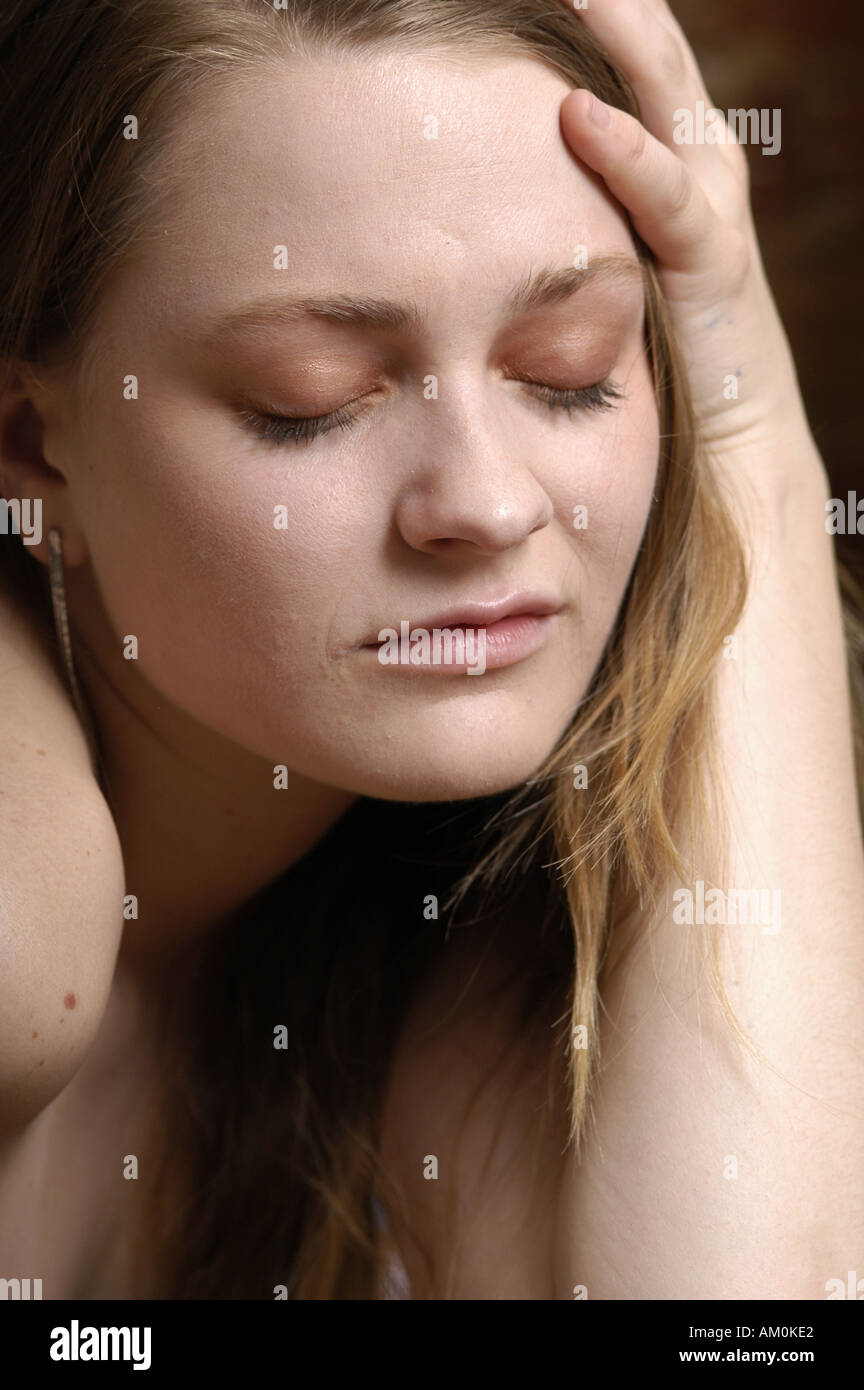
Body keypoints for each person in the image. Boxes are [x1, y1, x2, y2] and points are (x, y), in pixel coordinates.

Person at [1, 0, 862, 1301]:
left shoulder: (463, 951)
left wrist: (747, 426)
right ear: (27, 444)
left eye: (567, 369)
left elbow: (738, 1310)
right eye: (311, 400)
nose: (488, 500)